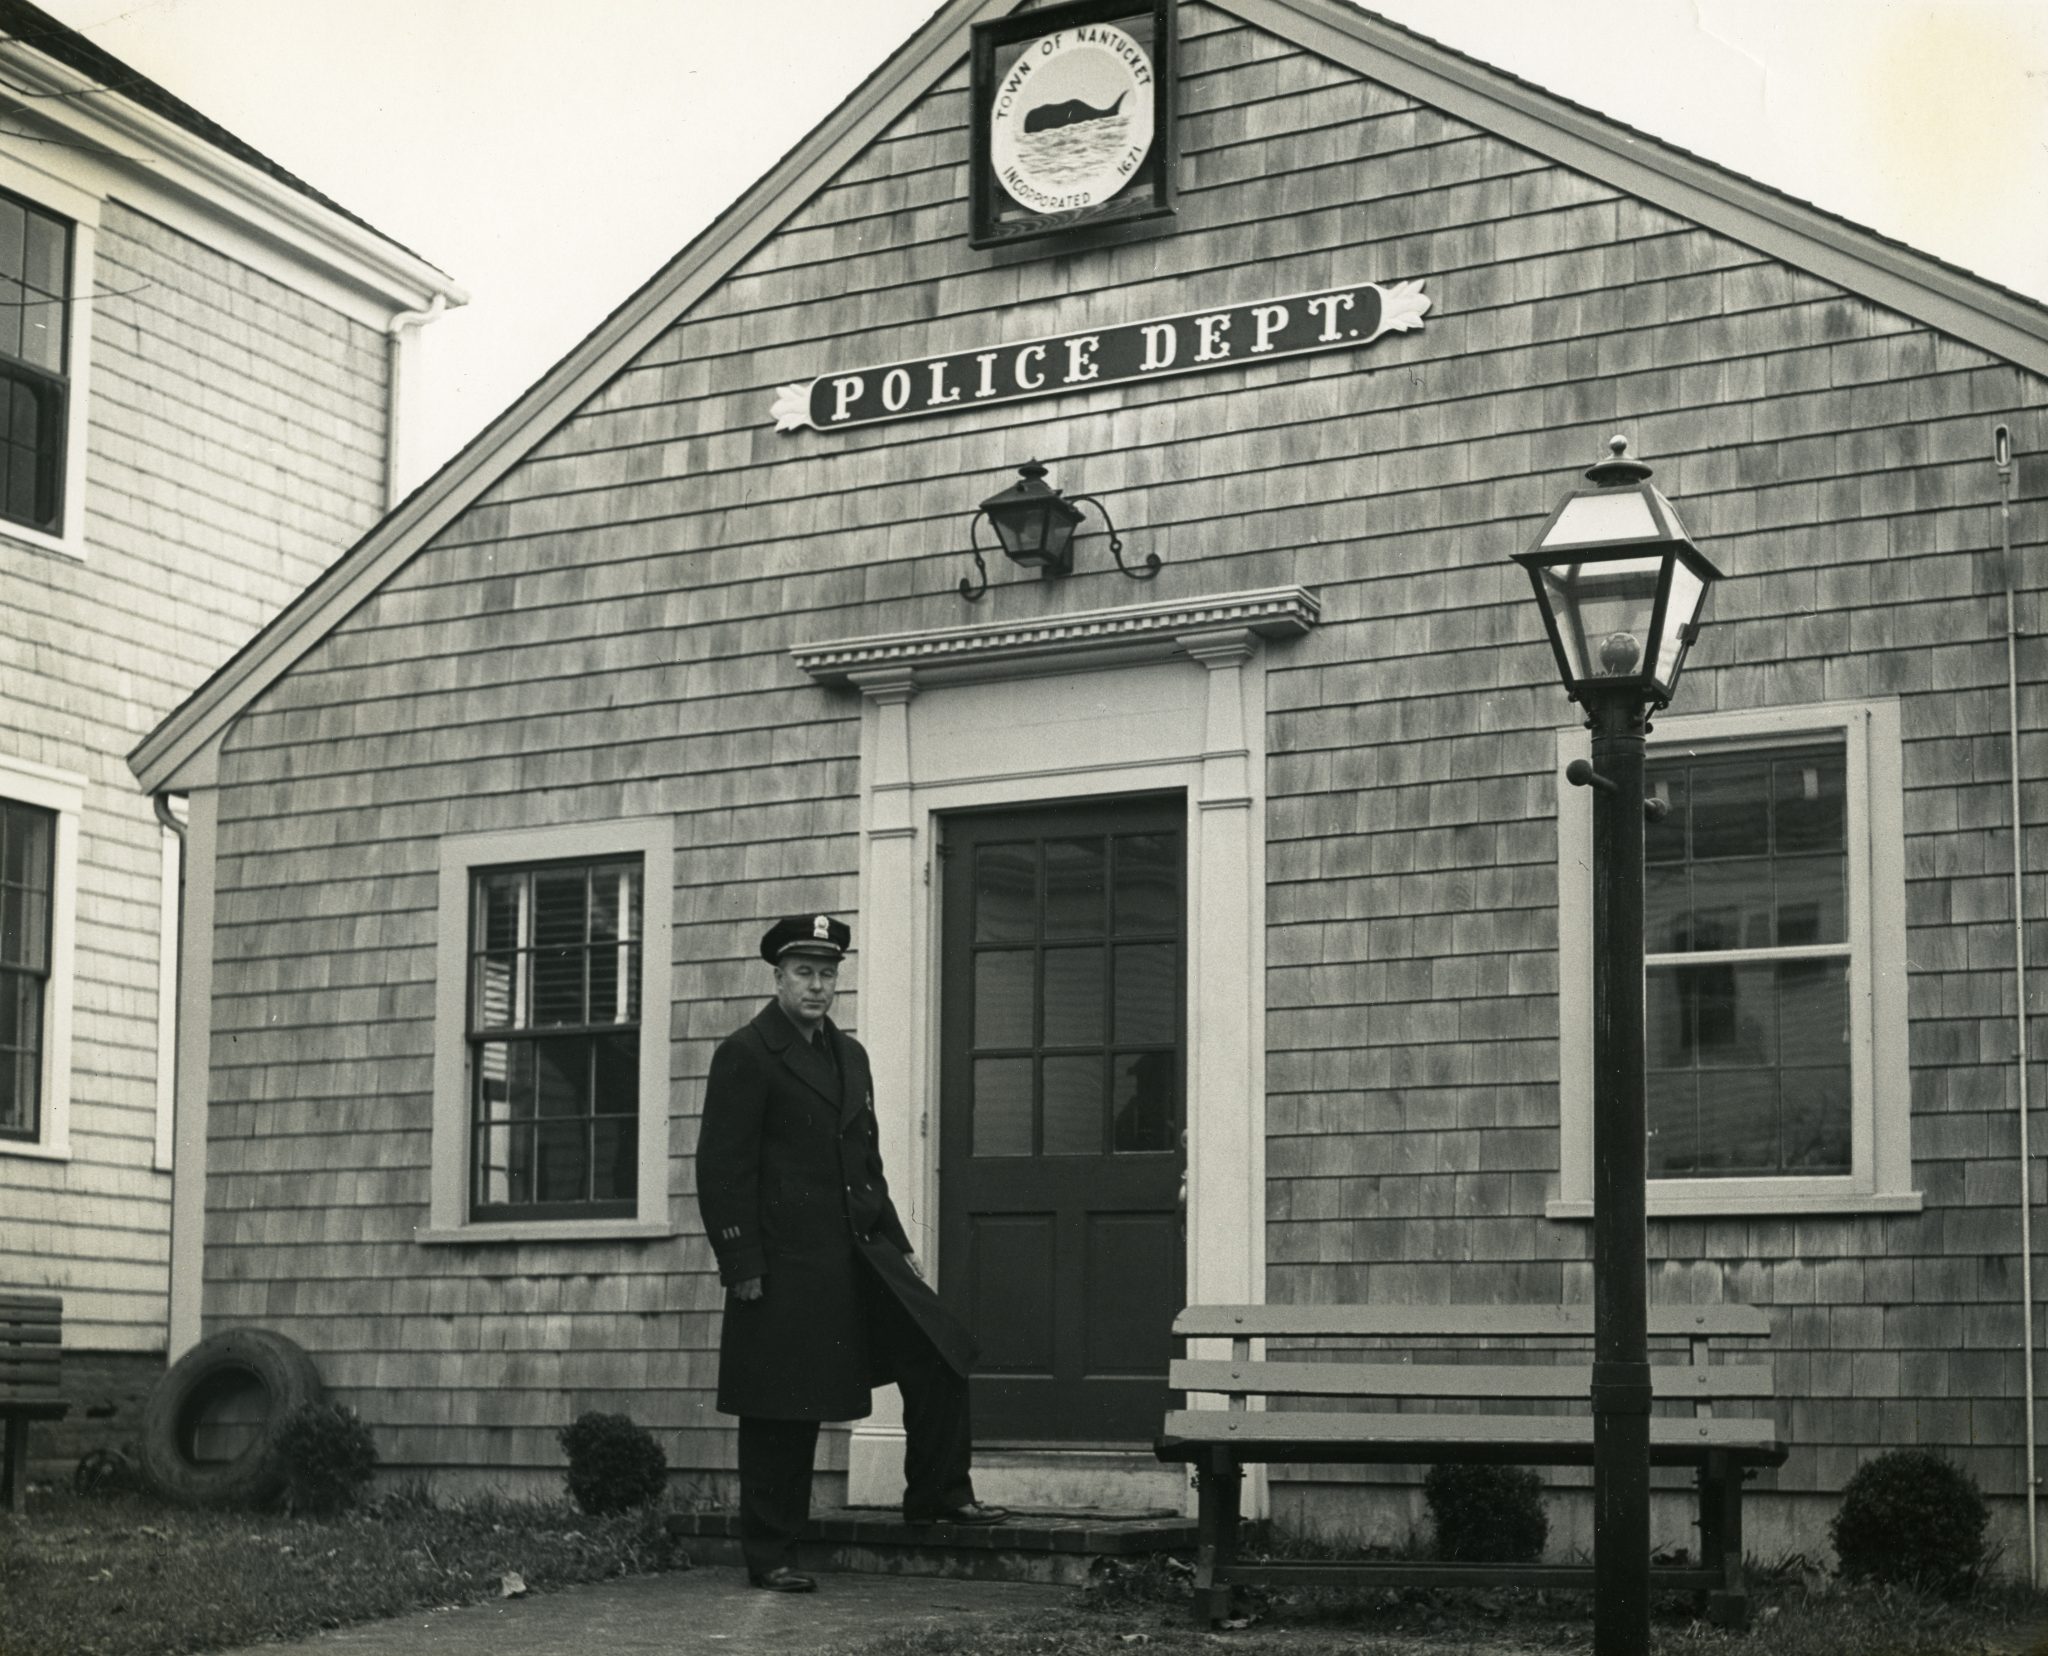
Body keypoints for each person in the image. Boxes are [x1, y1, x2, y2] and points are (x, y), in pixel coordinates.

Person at [696, 914, 1008, 1593]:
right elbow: (721, 1171)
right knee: (784, 1406)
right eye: (804, 973)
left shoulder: (851, 1056)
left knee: (940, 1348)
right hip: (786, 1265)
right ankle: (771, 1552)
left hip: (862, 1254)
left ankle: (937, 1496)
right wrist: (741, 1264)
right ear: (778, 978)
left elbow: (864, 1162)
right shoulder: (747, 1054)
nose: (818, 986)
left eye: (828, 973)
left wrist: (897, 1243)